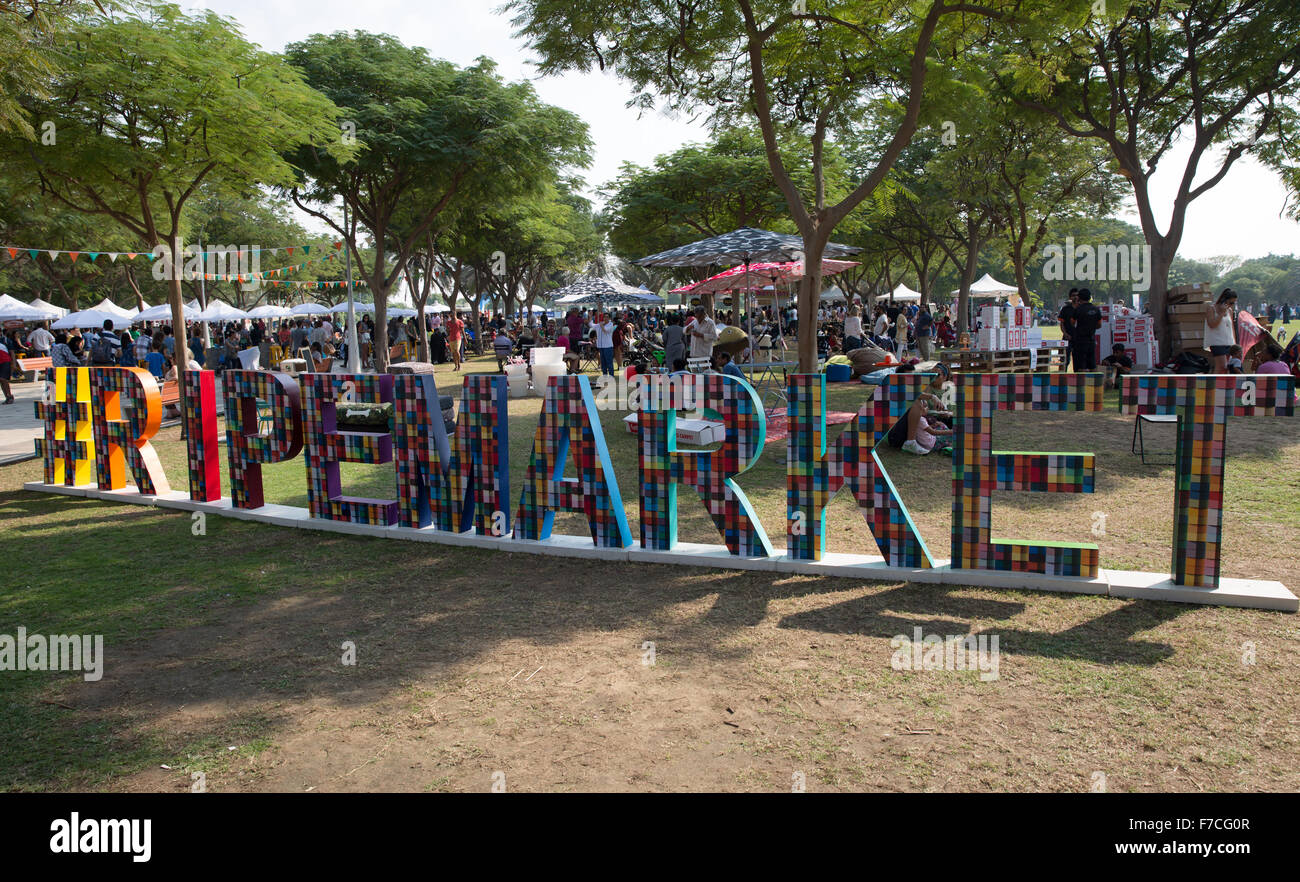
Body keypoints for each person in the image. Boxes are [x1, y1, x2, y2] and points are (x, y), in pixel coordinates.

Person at [1204, 288, 1238, 373]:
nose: (1231, 305)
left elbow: (1231, 328)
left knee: (1226, 368)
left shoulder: (1230, 310)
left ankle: (1223, 385)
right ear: (1224, 300)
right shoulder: (1212, 308)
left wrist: (1234, 343)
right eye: (1231, 303)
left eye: (1234, 303)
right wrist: (1221, 313)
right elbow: (1212, 324)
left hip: (1229, 342)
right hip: (1217, 342)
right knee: (1221, 366)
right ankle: (1213, 385)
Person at [1070, 289, 1101, 371]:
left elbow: (1072, 322)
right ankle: (1093, 383)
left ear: (1079, 298)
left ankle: (1081, 383)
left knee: (1080, 366)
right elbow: (1099, 325)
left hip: (1080, 340)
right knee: (1092, 365)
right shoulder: (1096, 309)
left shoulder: (1078, 309)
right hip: (1091, 339)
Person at [1058, 289, 1079, 371]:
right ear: (1070, 297)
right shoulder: (1065, 309)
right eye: (1073, 295)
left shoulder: (1081, 308)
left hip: (1078, 338)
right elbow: (1062, 323)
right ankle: (1062, 377)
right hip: (1067, 338)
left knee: (1078, 360)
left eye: (1077, 295)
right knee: (1065, 360)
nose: (1075, 297)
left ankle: (1076, 379)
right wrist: (1065, 333)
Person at [594, 312, 617, 377]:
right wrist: (590, 317)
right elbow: (592, 325)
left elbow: (605, 331)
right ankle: (604, 375)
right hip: (601, 346)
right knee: (603, 363)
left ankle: (611, 376)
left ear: (609, 318)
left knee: (609, 362)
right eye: (604, 317)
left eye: (607, 317)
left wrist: (601, 326)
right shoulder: (601, 324)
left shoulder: (611, 324)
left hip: (608, 346)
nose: (605, 318)